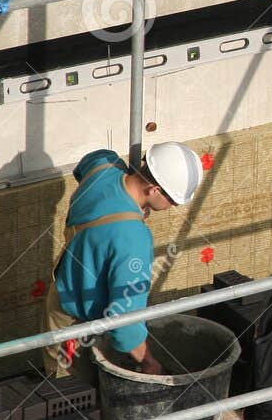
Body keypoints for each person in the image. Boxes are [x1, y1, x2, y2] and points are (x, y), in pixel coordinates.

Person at [45, 142, 205, 381]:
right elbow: (124, 321)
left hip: (60, 296)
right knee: (72, 394)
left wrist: (127, 201)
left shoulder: (102, 168)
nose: (173, 206)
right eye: (173, 200)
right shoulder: (134, 239)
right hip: (75, 324)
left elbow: (93, 158)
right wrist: (150, 363)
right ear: (154, 190)